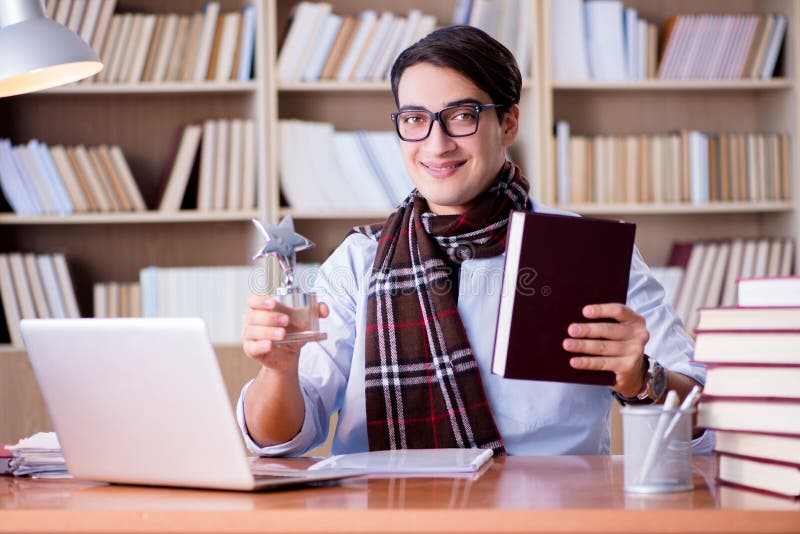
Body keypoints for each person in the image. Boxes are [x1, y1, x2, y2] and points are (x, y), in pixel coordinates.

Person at [238, 26, 712, 456]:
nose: (437, 144)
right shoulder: (359, 261)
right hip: (386, 508)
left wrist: (641, 377)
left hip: (550, 510)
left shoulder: (585, 251)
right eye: (415, 119)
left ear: (508, 123)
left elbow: (706, 420)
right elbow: (276, 441)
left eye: (462, 116)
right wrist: (279, 370)